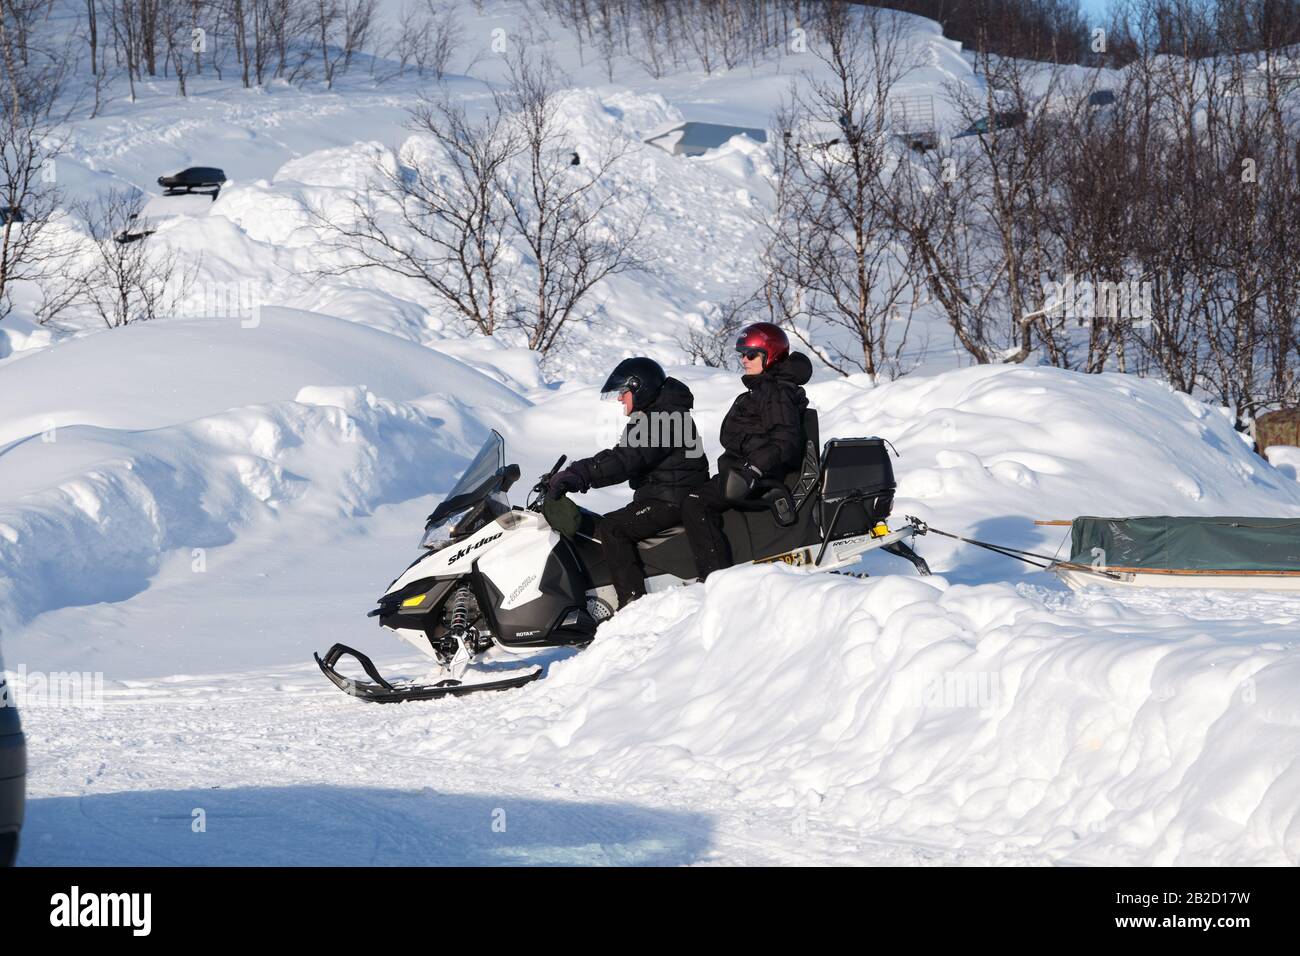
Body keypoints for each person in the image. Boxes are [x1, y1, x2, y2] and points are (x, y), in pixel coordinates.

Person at [547, 357, 708, 608]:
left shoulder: (665, 418)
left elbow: (627, 459)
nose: (620, 398)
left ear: (639, 388)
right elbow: (624, 459)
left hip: (674, 498)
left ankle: (632, 605)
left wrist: (580, 473)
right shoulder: (655, 415)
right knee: (600, 525)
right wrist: (576, 477)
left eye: (624, 392)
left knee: (613, 528)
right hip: (663, 494)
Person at [681, 323, 812, 581]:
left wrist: (753, 469)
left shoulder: (775, 392)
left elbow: (785, 439)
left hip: (760, 476)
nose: (744, 359)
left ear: (770, 355)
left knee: (694, 503)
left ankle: (714, 579)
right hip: (745, 471)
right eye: (742, 354)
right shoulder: (762, 389)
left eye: (750, 354)